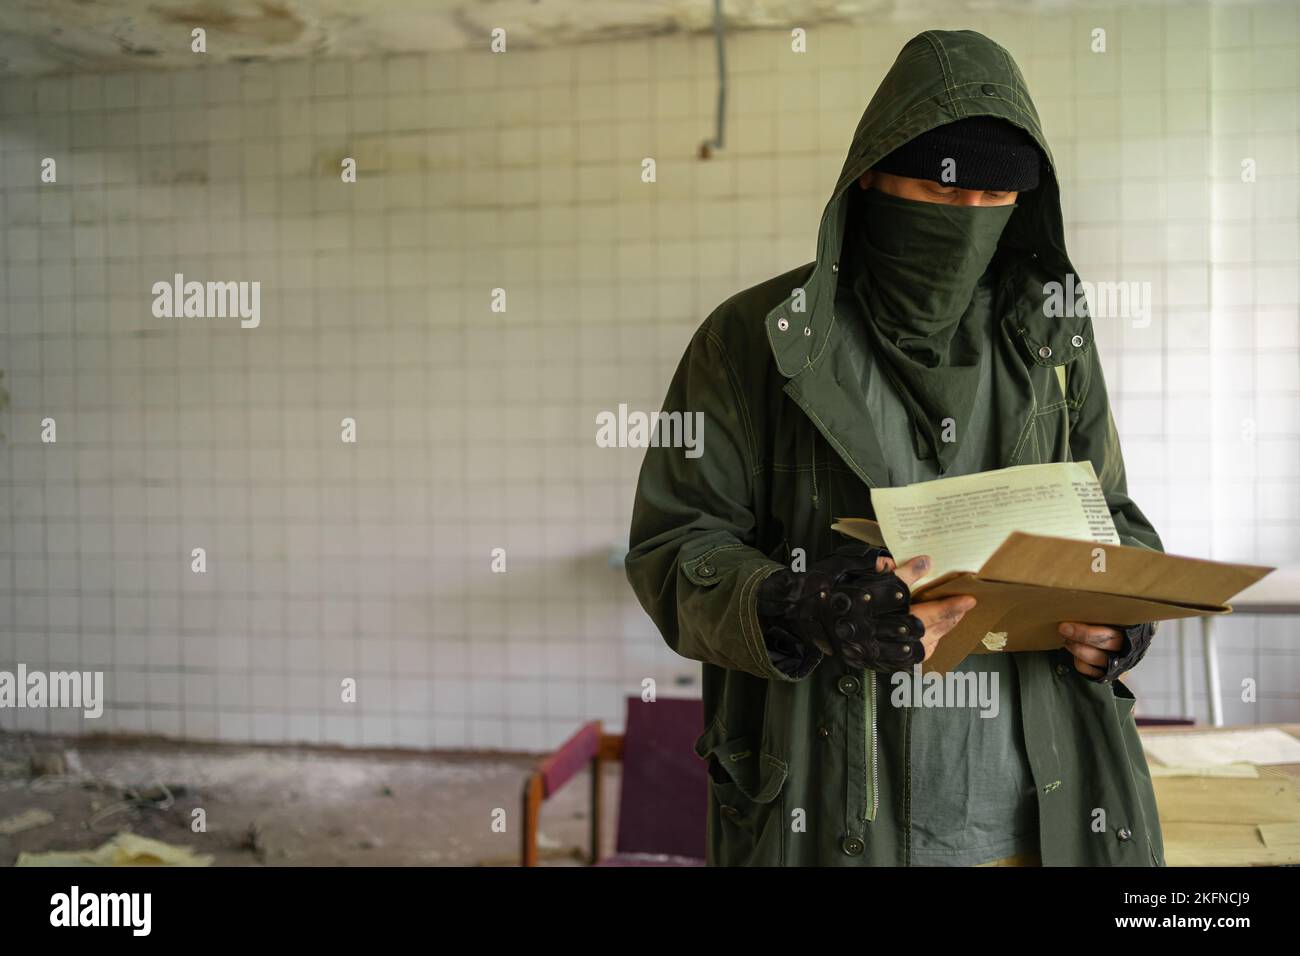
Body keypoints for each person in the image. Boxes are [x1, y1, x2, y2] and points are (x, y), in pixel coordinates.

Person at [625, 29, 1164, 867]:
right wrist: (794, 604)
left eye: (996, 199)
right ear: (869, 179)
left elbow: (1117, 521)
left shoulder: (1052, 341)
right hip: (833, 803)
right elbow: (671, 548)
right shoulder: (752, 341)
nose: (968, 219)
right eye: (939, 191)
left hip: (1042, 815)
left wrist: (1122, 619)